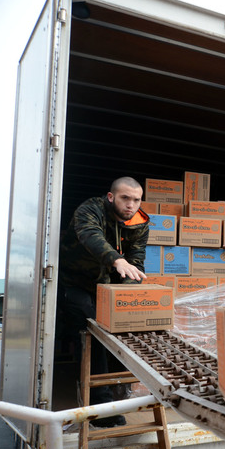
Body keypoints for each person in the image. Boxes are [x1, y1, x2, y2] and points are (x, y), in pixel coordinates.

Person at [57, 176, 149, 427]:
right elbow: (90, 236)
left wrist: (126, 302)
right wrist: (117, 260)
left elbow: (136, 262)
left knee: (119, 329)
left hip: (105, 285)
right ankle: (101, 408)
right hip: (74, 281)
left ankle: (124, 394)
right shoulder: (91, 209)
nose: (131, 205)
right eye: (125, 198)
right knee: (92, 329)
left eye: (136, 200)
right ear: (111, 197)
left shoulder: (139, 223)